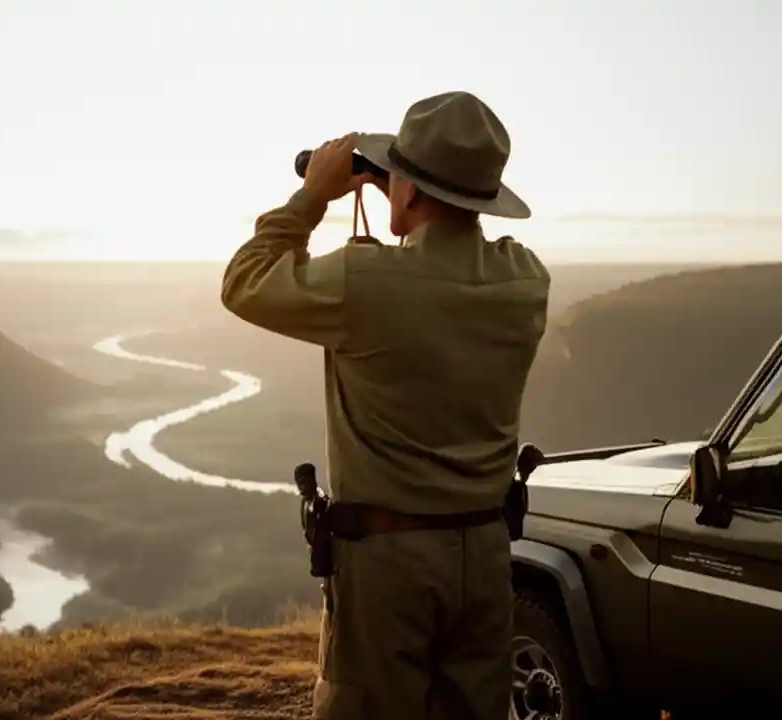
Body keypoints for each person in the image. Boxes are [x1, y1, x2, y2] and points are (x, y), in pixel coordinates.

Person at [220, 91, 549, 720]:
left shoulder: (364, 285)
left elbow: (244, 281)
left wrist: (312, 196)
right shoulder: (525, 280)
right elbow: (451, 257)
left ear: (408, 191)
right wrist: (404, 185)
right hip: (484, 554)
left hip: (387, 567)